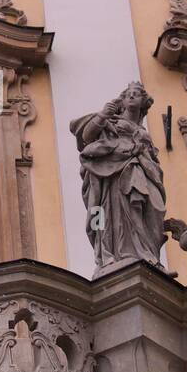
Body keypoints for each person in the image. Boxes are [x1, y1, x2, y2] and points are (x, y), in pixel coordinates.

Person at [70, 81, 167, 272]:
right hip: (110, 174)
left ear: (143, 103)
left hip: (141, 170)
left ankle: (146, 253)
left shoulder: (143, 132)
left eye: (137, 94)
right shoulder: (112, 121)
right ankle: (112, 253)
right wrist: (103, 115)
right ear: (121, 101)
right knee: (108, 212)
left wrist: (141, 153)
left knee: (147, 210)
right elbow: (88, 137)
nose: (132, 96)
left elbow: (153, 159)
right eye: (128, 94)